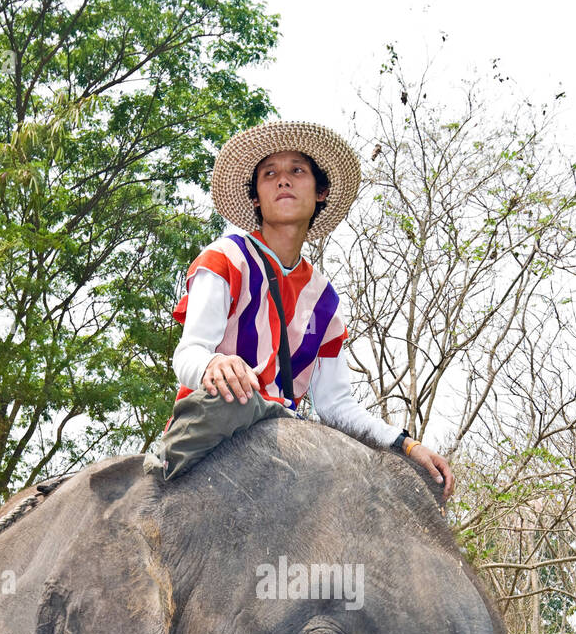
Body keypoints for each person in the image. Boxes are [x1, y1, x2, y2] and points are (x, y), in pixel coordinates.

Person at [146, 120, 453, 495]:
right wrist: (213, 364)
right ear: (256, 198)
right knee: (235, 406)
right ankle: (158, 479)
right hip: (223, 416)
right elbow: (188, 355)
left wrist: (406, 443)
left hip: (285, 430)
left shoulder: (324, 299)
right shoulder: (224, 258)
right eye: (269, 173)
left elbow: (336, 405)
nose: (283, 180)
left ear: (320, 192)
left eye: (297, 171)